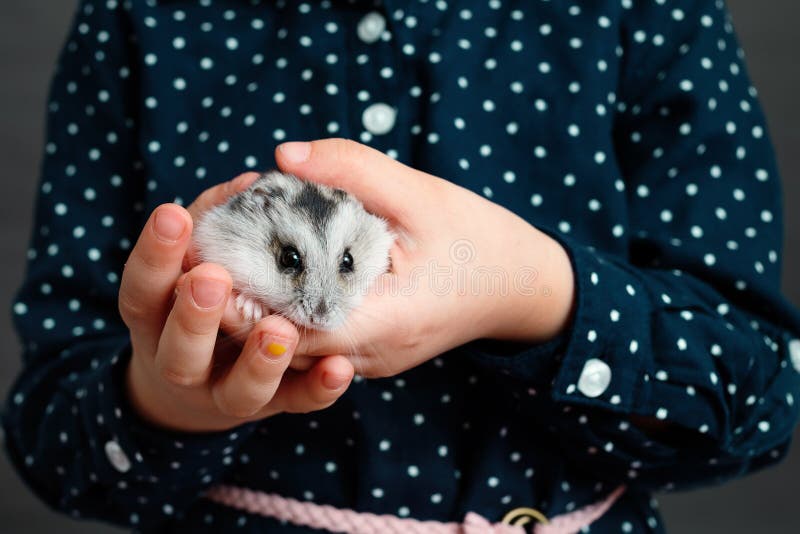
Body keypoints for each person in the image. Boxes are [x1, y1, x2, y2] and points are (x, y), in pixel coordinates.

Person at [4, 0, 800, 532]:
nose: (320, 307)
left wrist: (526, 292)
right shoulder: (138, 17)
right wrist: (167, 400)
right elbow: (49, 439)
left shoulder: (652, 15)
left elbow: (762, 399)